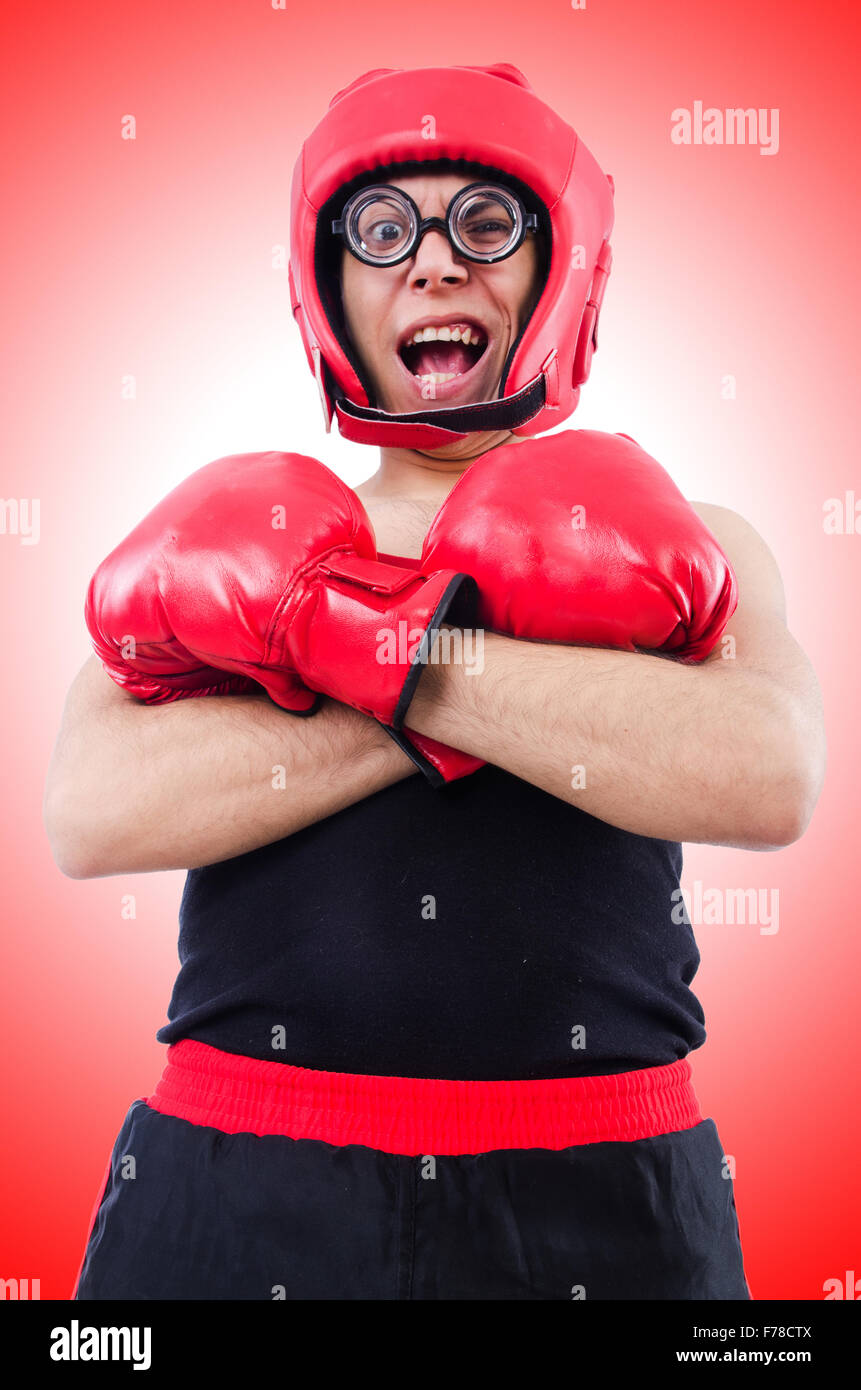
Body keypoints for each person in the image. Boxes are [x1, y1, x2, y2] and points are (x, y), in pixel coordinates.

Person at [45, 64, 825, 1301]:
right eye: (384, 228)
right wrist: (474, 658)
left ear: (561, 267)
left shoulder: (699, 531)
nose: (434, 264)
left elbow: (768, 773)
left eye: (483, 223)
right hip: (238, 1174)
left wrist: (362, 651)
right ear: (330, 285)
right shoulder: (229, 540)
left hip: (613, 1188)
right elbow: (89, 810)